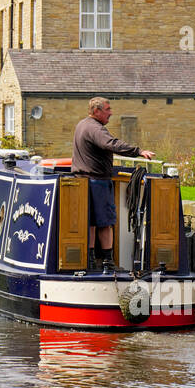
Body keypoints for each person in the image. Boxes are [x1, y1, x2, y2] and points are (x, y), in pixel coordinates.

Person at [71, 97, 155, 272]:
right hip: (97, 182)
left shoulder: (82, 124)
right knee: (105, 223)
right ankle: (108, 262)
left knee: (92, 223)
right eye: (107, 109)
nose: (111, 113)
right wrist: (138, 151)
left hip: (83, 181)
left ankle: (91, 259)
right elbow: (111, 144)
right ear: (96, 111)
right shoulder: (95, 128)